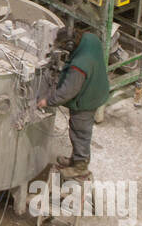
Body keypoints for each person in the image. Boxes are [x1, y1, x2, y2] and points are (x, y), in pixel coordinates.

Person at [37, 29, 110, 179]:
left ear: (70, 45)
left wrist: (47, 101)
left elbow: (66, 92)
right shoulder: (90, 38)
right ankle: (76, 159)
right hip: (98, 86)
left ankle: (80, 167)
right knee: (80, 132)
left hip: (87, 100)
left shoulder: (79, 65)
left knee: (79, 133)